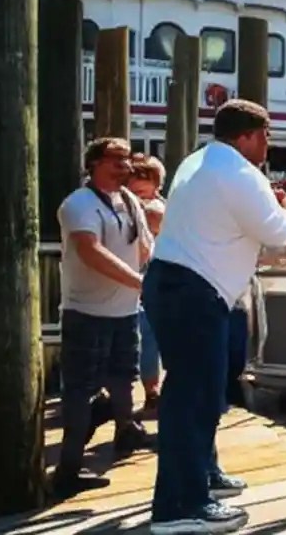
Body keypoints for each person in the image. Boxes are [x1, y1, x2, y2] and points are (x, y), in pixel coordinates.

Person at [143, 99, 286, 534]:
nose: (269, 143)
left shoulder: (200, 160)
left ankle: (203, 477)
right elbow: (283, 236)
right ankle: (179, 508)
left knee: (201, 393)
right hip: (194, 293)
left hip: (180, 286)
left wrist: (276, 211)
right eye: (267, 134)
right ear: (249, 136)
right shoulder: (239, 173)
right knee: (191, 399)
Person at [52, 138, 154, 498]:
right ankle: (67, 469)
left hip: (125, 311)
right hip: (86, 313)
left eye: (127, 159)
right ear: (94, 163)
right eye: (116, 160)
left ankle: (126, 431)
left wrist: (149, 276)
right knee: (80, 391)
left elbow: (144, 246)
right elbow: (89, 250)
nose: (125, 166)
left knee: (127, 379)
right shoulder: (78, 204)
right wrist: (140, 282)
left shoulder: (130, 202)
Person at [128, 154, 167, 413]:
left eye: (145, 182)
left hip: (157, 278)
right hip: (135, 277)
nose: (139, 189)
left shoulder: (158, 209)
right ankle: (150, 389)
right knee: (145, 337)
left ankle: (153, 390)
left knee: (152, 336)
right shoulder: (126, 206)